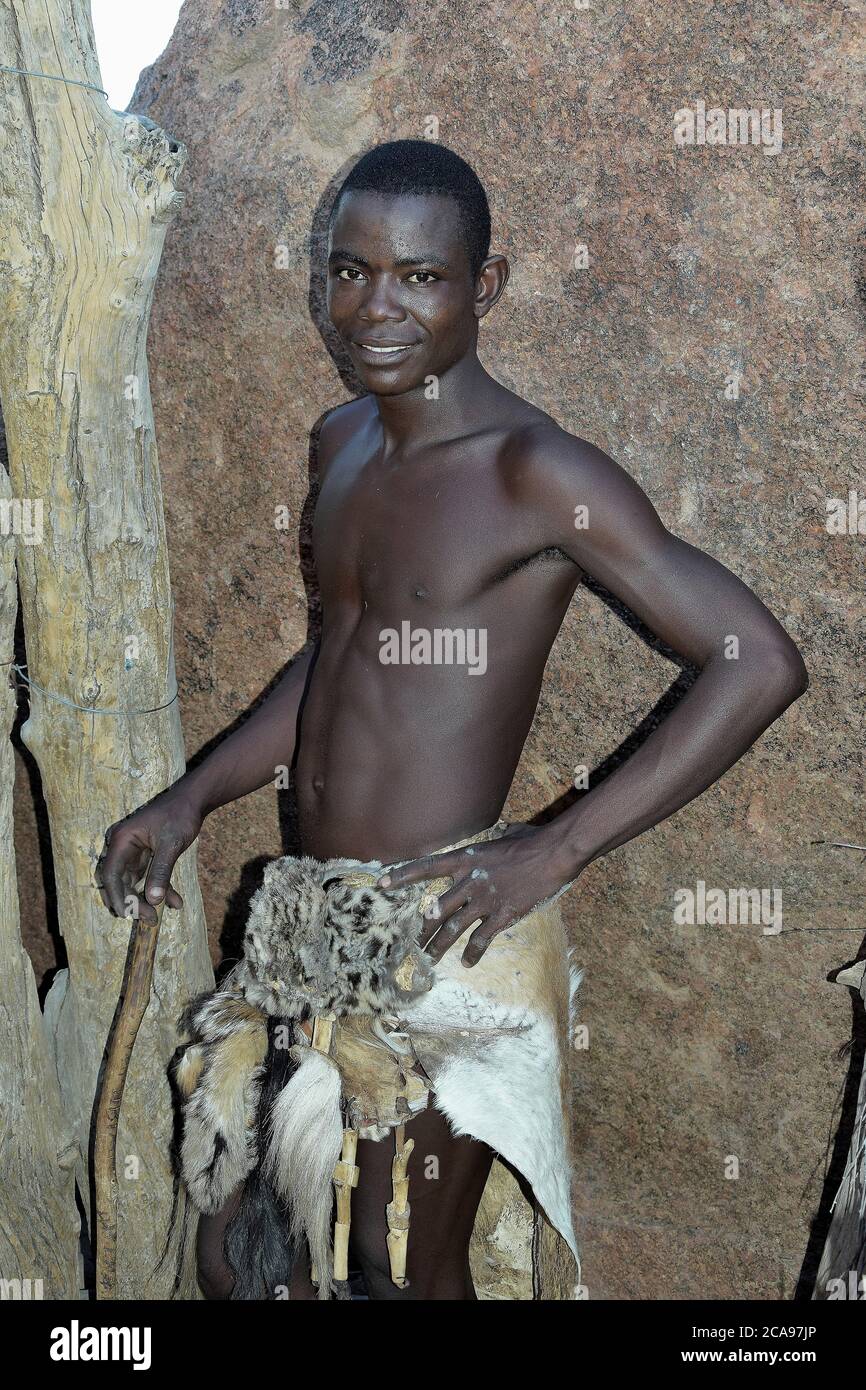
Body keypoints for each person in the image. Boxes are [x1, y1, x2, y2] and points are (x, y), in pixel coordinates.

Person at [96, 139, 808, 1301]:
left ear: (487, 285)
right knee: (239, 1252)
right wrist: (190, 798)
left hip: (440, 931)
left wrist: (553, 846)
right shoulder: (340, 443)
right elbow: (340, 662)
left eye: (419, 277)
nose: (374, 307)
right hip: (306, 921)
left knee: (392, 1267)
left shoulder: (534, 472)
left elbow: (756, 661)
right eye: (349, 270)